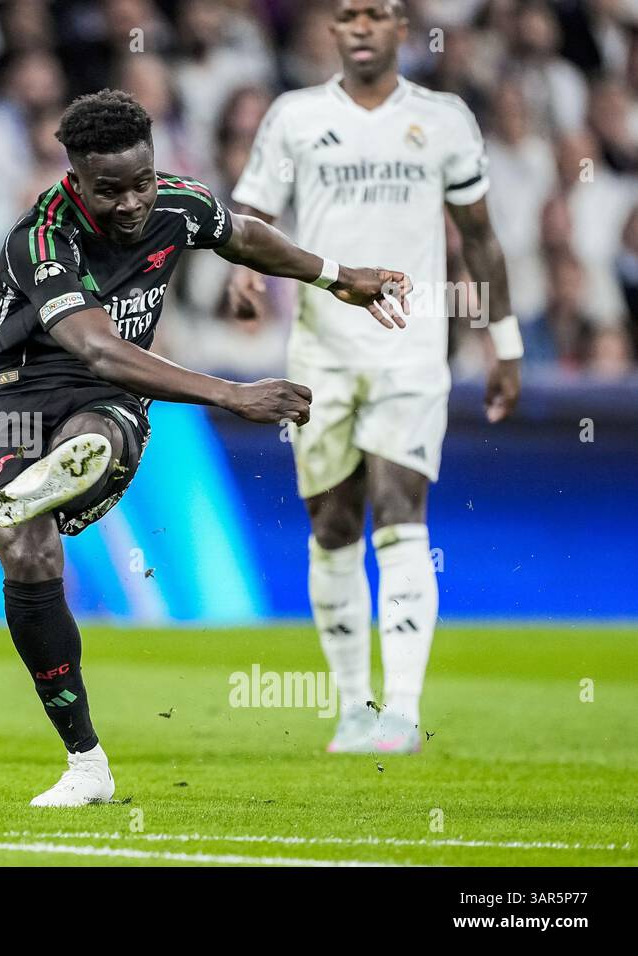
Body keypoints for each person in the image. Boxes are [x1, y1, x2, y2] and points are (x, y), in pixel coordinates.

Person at [0, 87, 410, 806]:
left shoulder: (179, 202)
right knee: (25, 549)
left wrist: (335, 276)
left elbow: (245, 236)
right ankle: (87, 763)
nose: (133, 202)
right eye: (111, 190)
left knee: (96, 434)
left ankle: (64, 474)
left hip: (100, 398)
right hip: (13, 399)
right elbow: (101, 349)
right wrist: (233, 394)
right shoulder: (43, 238)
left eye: (142, 181)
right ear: (76, 177)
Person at [227, 0, 521, 754]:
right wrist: (243, 277)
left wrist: (504, 341)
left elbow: (480, 237)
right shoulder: (293, 116)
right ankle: (354, 707)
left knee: (399, 508)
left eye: (378, 13)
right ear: (333, 30)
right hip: (321, 352)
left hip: (413, 348)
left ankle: (402, 710)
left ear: (401, 28)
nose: (361, 25)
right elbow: (249, 213)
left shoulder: (445, 117)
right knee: (332, 524)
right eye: (349, 13)